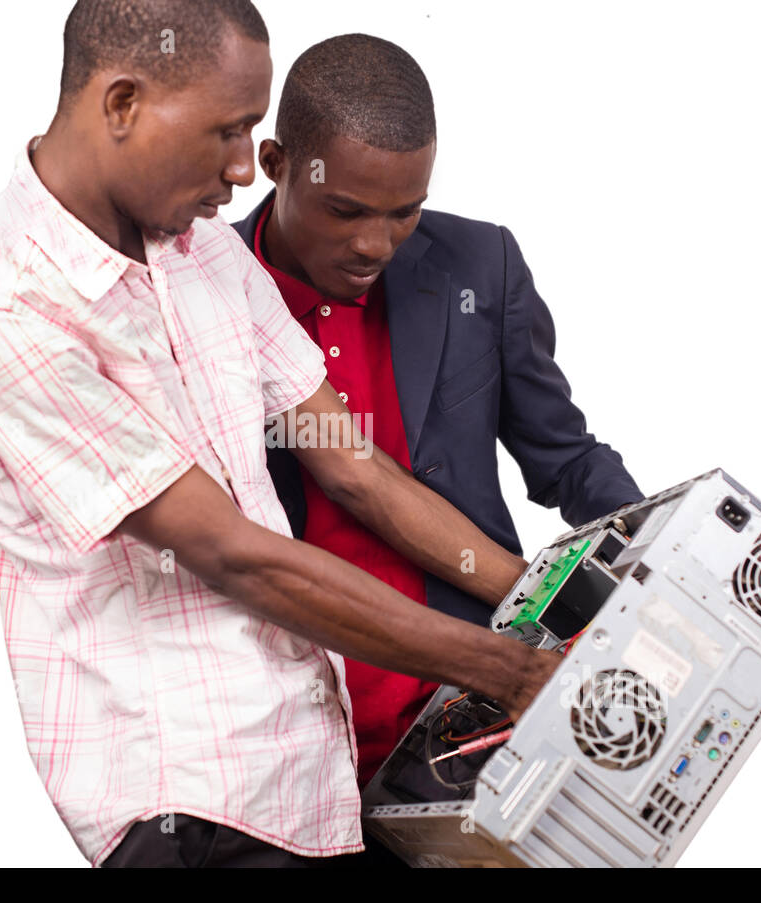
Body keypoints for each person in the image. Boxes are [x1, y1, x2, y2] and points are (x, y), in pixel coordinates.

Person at [0, 0, 562, 868]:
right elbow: (232, 552)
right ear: (122, 105)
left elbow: (355, 469)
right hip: (186, 809)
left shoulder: (206, 254)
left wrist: (551, 610)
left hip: (307, 784)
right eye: (228, 131)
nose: (239, 169)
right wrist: (510, 670)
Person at [232, 34, 644, 790]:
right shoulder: (202, 292)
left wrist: (649, 565)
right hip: (288, 746)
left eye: (404, 213)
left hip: (474, 719)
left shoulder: (480, 267)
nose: (375, 244)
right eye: (345, 210)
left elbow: (567, 459)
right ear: (277, 163)